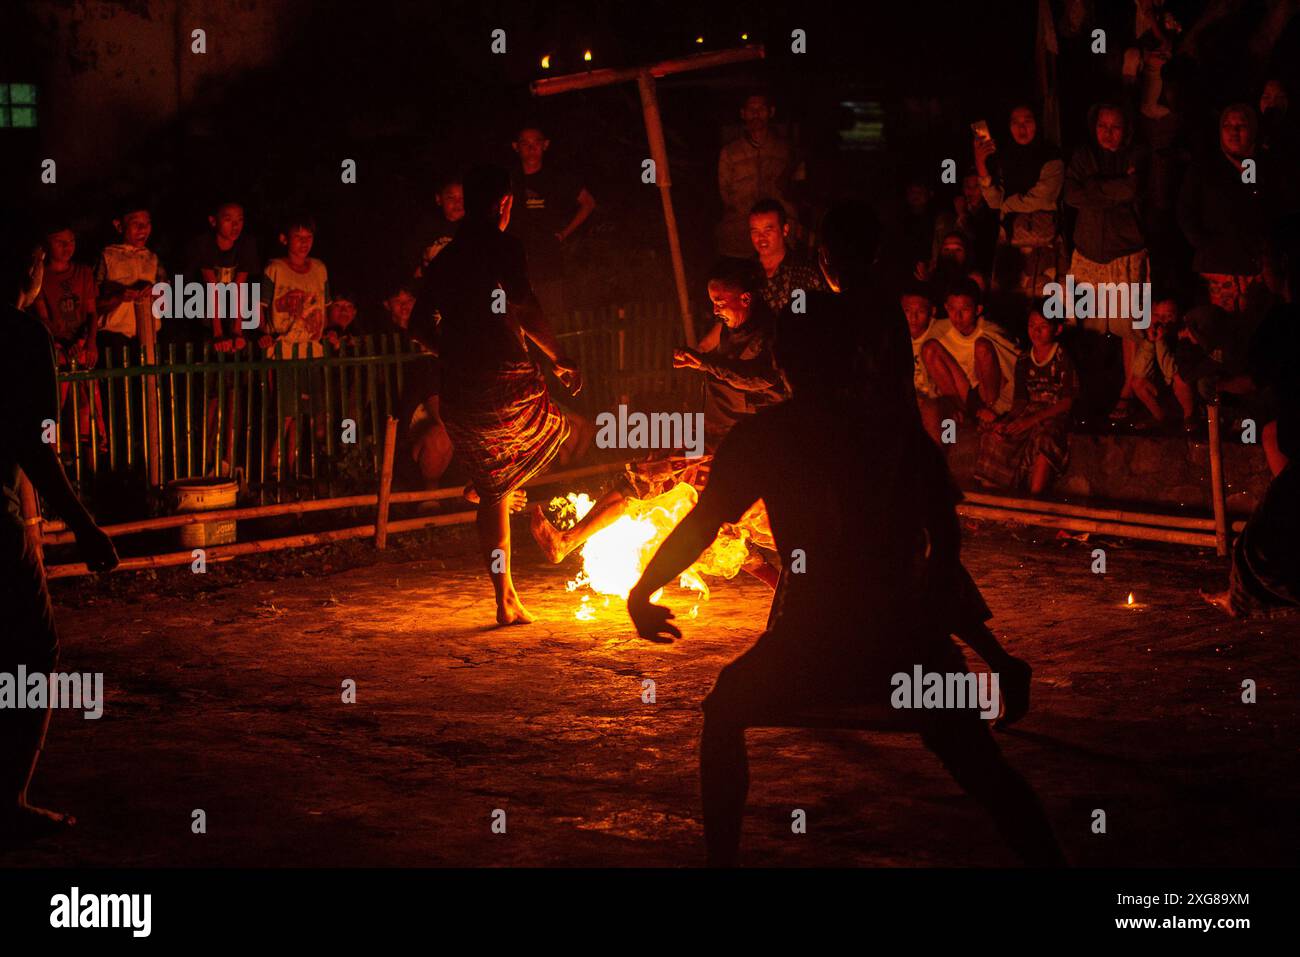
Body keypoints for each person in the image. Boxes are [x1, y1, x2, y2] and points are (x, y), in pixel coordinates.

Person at [626, 254, 1061, 867]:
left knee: (725, 709)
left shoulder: (767, 436)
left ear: (782, 362)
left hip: (813, 645)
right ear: (853, 358)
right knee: (983, 768)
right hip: (904, 646)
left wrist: (643, 592)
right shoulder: (894, 433)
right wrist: (936, 623)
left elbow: (701, 524)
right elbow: (944, 540)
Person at [530, 259, 785, 589]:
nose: (715, 309)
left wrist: (706, 364)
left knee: (735, 527)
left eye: (720, 301)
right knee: (648, 481)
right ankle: (567, 540)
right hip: (712, 441)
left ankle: (792, 580)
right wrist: (692, 357)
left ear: (746, 299)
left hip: (750, 448)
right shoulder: (729, 327)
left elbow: (762, 378)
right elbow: (709, 353)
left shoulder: (770, 335)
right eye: (712, 301)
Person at [413, 163, 580, 625]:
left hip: (461, 390)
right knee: (556, 427)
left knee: (493, 494)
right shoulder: (504, 246)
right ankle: (501, 480)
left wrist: (450, 349)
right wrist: (559, 357)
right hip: (505, 379)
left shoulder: (445, 260)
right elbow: (524, 306)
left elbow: (416, 323)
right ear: (505, 203)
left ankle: (504, 596)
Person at [1, 243, 119, 841]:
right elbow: (36, 448)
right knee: (32, 651)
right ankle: (9, 800)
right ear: (32, 270)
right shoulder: (23, 336)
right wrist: (85, 526)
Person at [1202, 301, 1299, 617]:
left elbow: (1255, 379)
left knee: (1255, 548)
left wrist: (1218, 385)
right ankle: (1239, 595)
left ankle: (1241, 598)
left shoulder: (1284, 317)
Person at [1064, 103, 1149, 423]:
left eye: (1115, 127)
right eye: (1103, 126)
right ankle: (1089, 394)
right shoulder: (1084, 155)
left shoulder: (1136, 154)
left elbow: (1133, 188)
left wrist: (1093, 187)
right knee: (1088, 330)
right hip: (1088, 254)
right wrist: (1115, 188)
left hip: (1124, 254)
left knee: (1129, 330)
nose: (1108, 134)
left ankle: (1128, 393)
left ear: (1125, 129)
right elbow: (1072, 195)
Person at [259, 214, 355, 476]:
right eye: (298, 237)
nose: (304, 243)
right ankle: (273, 468)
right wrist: (264, 333)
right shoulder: (275, 268)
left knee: (307, 414)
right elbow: (261, 307)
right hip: (284, 350)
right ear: (284, 239)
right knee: (285, 413)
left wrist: (331, 333)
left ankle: (294, 467)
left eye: (308, 237)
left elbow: (324, 308)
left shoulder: (320, 269)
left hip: (312, 350)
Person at [184, 200, 259, 475]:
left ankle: (229, 458)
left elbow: (240, 287)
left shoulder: (246, 245)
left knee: (233, 393)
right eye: (228, 219)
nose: (235, 225)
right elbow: (210, 288)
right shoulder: (203, 245)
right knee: (211, 395)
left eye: (240, 219)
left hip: (232, 323)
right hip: (205, 323)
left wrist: (237, 330)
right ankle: (206, 458)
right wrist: (218, 334)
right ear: (214, 221)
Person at [976, 308, 1079, 495]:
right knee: (995, 436)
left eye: (1043, 326)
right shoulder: (1024, 359)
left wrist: (1032, 421)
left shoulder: (1063, 357)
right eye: (1032, 326)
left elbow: (1066, 402)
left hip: (1054, 414)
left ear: (1057, 329)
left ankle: (1034, 499)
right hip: (1029, 411)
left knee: (1044, 440)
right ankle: (995, 498)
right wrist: (1008, 421)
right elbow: (1021, 400)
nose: (1036, 331)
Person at [975, 104, 1065, 301]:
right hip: (1010, 245)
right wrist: (981, 164)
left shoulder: (1051, 155)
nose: (1021, 129)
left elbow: (1042, 197)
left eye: (1027, 121)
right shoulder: (1004, 157)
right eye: (1015, 123)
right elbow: (994, 201)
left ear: (1037, 123)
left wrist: (1007, 205)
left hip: (1044, 243)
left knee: (1045, 307)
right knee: (1011, 305)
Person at [28, 223, 105, 452]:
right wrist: (62, 343)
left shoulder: (83, 272)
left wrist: (89, 342)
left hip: (81, 346)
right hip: (56, 348)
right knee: (53, 401)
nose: (67, 247)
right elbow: (43, 317)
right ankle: (49, 450)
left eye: (71, 242)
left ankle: (91, 446)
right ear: (47, 244)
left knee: (88, 400)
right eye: (60, 242)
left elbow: (92, 312)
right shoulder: (41, 276)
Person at [509, 125, 596, 322]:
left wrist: (565, 233)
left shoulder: (557, 178)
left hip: (549, 261)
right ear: (516, 147)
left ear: (545, 145)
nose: (531, 148)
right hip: (515, 262)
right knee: (516, 318)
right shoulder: (508, 180)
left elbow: (588, 203)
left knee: (553, 318)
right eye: (525, 143)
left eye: (536, 143)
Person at [921, 278, 1021, 424]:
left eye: (965, 310)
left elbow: (1018, 372)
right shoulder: (939, 330)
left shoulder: (991, 331)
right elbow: (930, 378)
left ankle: (988, 415)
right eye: (953, 309)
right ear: (946, 307)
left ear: (978, 310)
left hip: (990, 394)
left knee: (981, 347)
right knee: (929, 348)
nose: (957, 317)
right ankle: (957, 411)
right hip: (962, 394)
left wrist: (999, 408)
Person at [717, 91, 802, 257]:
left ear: (771, 112)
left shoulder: (786, 150)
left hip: (779, 239)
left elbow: (797, 189)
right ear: (743, 113)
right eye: (751, 109)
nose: (756, 114)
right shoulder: (730, 153)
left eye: (761, 108)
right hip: (740, 239)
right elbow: (725, 194)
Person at [95, 202, 164, 355]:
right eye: (136, 224)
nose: (143, 229)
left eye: (147, 224)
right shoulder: (107, 256)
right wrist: (119, 296)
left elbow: (167, 302)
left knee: (148, 377)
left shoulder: (152, 258)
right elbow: (92, 302)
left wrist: (156, 292)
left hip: (149, 334)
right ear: (119, 225)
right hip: (114, 336)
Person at [1128, 292, 1196, 433]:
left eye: (1168, 316)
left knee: (1180, 379)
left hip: (1185, 391)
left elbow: (1171, 371)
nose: (1163, 321)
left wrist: (1160, 342)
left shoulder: (1184, 336)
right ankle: (1160, 418)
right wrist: (1150, 342)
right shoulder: (1152, 334)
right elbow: (1139, 370)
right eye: (1158, 316)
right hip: (1164, 390)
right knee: (1137, 382)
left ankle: (1190, 417)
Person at [747, 198, 824, 313]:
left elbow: (804, 318)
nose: (761, 237)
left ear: (785, 230)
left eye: (768, 230)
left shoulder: (804, 273)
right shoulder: (745, 274)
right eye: (755, 231)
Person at [901, 281, 950, 444]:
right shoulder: (895, 336)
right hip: (908, 401)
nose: (913, 318)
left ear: (932, 311)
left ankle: (943, 454)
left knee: (941, 417)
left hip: (939, 401)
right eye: (907, 311)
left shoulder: (942, 334)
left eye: (920, 311)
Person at [414, 175, 464, 279]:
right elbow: (409, 260)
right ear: (439, 199)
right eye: (451, 197)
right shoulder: (426, 227)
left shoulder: (473, 228)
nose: (458, 203)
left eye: (463, 197)